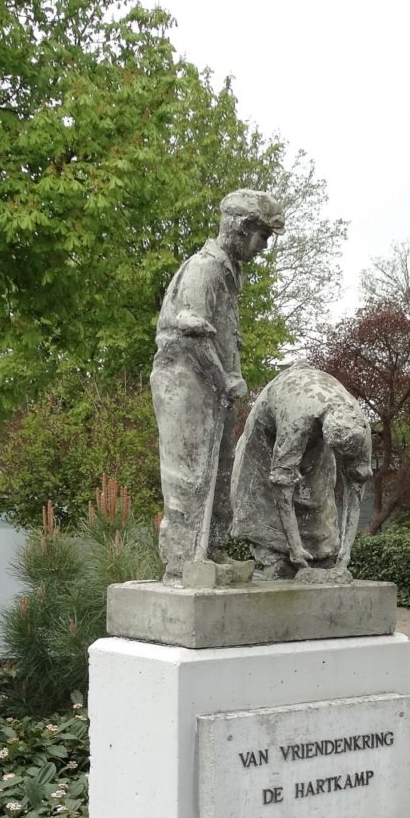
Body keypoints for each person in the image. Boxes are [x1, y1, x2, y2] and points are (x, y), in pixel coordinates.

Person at [150, 188, 284, 581]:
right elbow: (191, 333)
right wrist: (225, 379)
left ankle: (211, 550)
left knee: (221, 471)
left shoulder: (229, 272)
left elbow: (225, 337)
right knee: (188, 473)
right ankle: (183, 562)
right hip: (187, 382)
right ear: (243, 228)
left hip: (212, 388)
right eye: (264, 236)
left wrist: (230, 379)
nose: (263, 248)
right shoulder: (204, 269)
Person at [229, 366, 374, 581]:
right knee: (261, 494)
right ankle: (277, 558)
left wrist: (345, 557)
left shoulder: (360, 428)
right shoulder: (297, 418)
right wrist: (295, 548)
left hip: (317, 421)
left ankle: (321, 557)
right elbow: (282, 484)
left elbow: (355, 490)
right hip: (267, 430)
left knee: (317, 493)